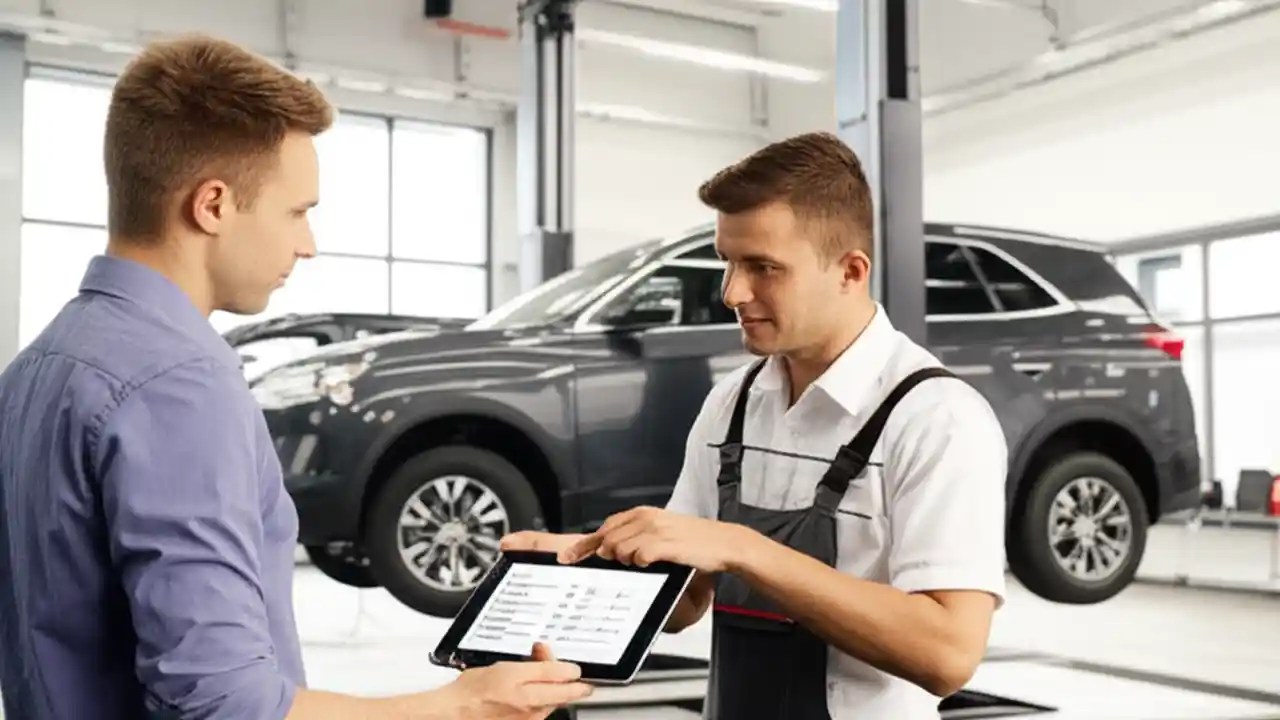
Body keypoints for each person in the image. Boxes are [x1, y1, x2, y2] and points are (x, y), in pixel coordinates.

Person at [0, 35, 591, 720]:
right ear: (213, 205)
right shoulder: (180, 384)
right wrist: (460, 705)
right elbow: (228, 703)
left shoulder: (35, 369)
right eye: (297, 211)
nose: (307, 243)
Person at [503, 132, 1007, 718]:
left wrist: (744, 548)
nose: (731, 292)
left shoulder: (935, 418)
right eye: (727, 262)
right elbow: (686, 598)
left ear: (850, 271)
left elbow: (948, 655)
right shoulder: (734, 402)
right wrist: (580, 563)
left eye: (764, 267)